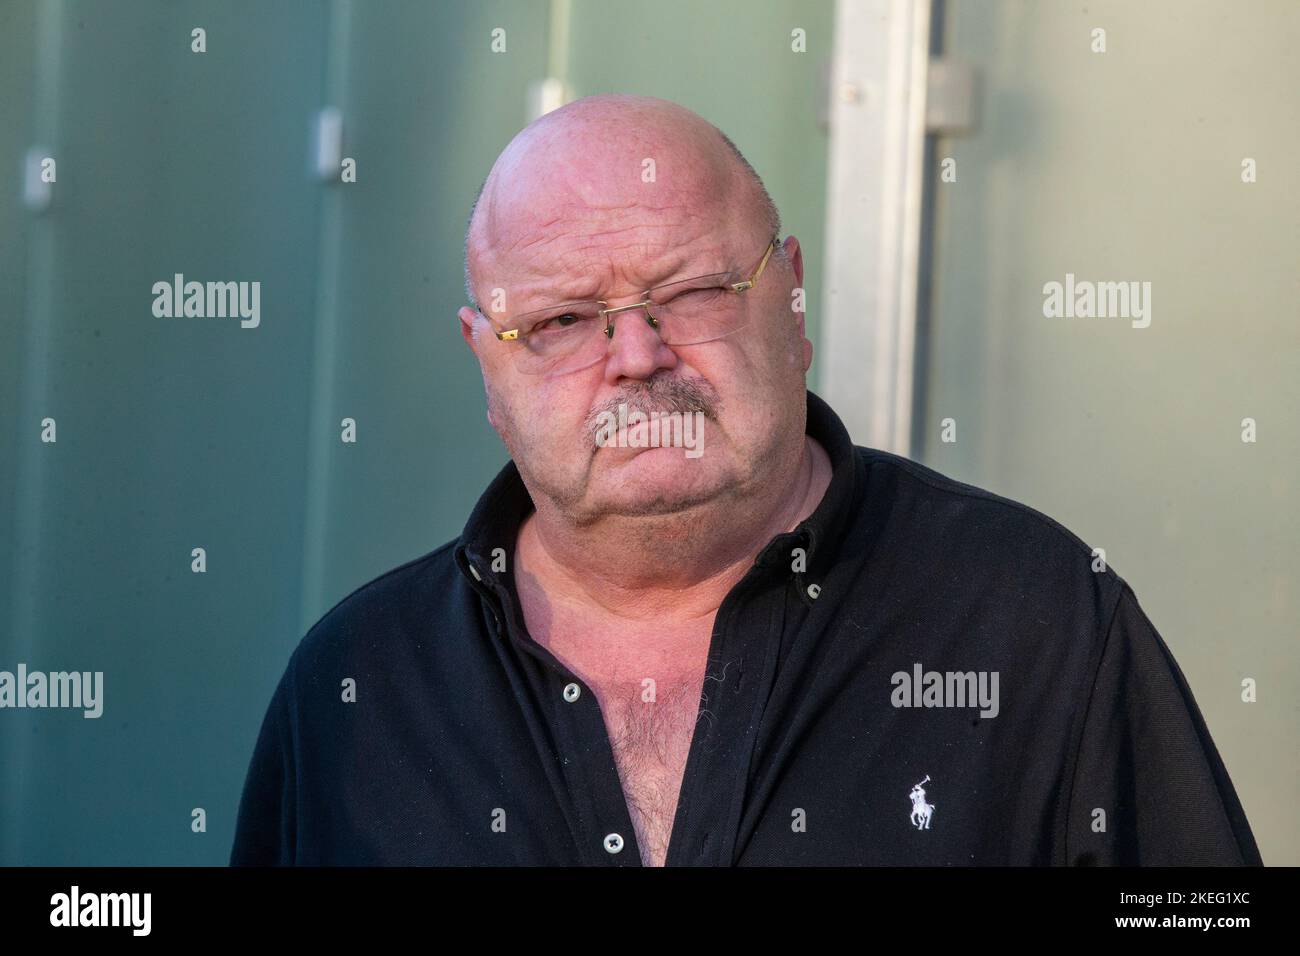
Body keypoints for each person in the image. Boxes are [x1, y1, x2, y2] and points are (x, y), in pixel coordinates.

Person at [230, 94, 1261, 867]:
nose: (635, 352)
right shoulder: (356, 691)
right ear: (487, 368)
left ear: (791, 299)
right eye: (558, 322)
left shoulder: (1037, 621)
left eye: (691, 290)